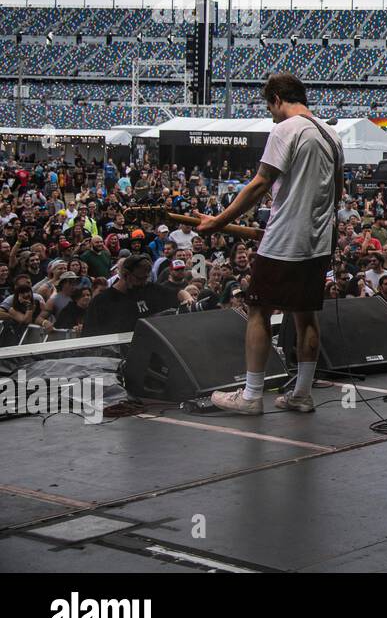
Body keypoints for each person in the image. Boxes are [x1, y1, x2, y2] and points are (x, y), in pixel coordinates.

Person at [199, 73, 342, 415]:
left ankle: (250, 396)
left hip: (284, 240)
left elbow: (261, 182)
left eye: (269, 105)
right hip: (317, 241)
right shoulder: (331, 134)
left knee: (259, 310)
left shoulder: (286, 129)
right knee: (305, 316)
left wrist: (219, 221)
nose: (270, 113)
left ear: (278, 98)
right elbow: (337, 193)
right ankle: (302, 394)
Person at [82, 254, 185, 336]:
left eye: (146, 278)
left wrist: (187, 298)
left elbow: (177, 293)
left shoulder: (149, 289)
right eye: (140, 279)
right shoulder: (102, 301)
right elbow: (89, 334)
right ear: (126, 275)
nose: (144, 282)